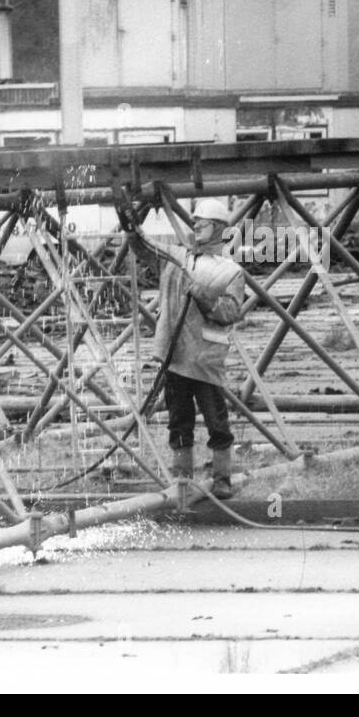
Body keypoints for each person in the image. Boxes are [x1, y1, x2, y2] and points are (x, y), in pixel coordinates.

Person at [150, 198, 246, 499]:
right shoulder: (180, 259)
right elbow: (145, 250)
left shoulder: (230, 271)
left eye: (201, 223)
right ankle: (182, 482)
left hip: (206, 358)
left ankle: (222, 480)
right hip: (176, 356)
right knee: (179, 421)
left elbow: (230, 312)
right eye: (194, 224)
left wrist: (203, 296)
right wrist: (130, 228)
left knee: (217, 422)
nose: (195, 228)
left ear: (217, 227)